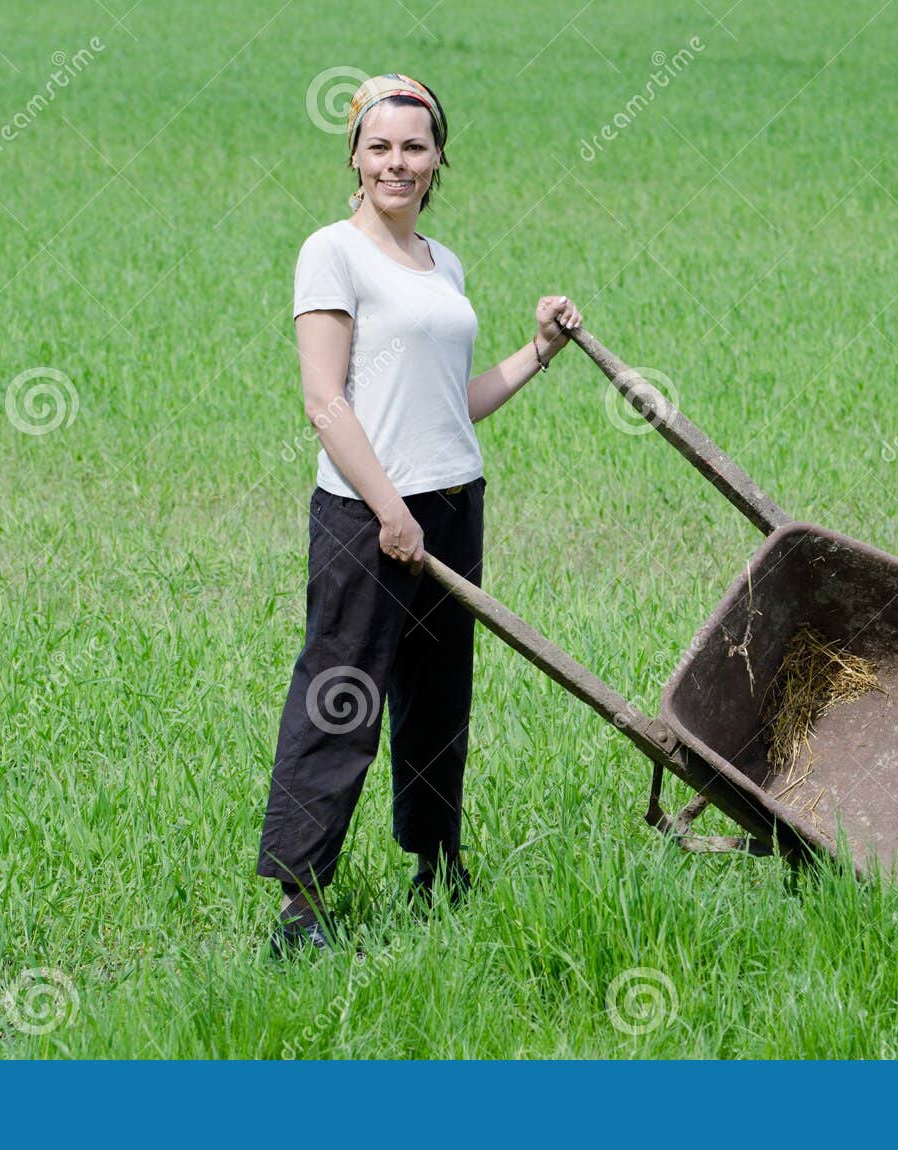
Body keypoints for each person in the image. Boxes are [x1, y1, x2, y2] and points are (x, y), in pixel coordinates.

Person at [257, 73, 582, 955]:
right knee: (342, 692)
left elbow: (452, 402)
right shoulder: (332, 251)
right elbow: (324, 401)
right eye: (380, 147)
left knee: (439, 700)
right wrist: (390, 509)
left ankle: (436, 863)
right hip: (367, 516)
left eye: (415, 147)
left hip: (452, 502)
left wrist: (538, 353)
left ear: (439, 160)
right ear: (355, 158)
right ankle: (298, 901)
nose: (397, 163)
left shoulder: (445, 264)